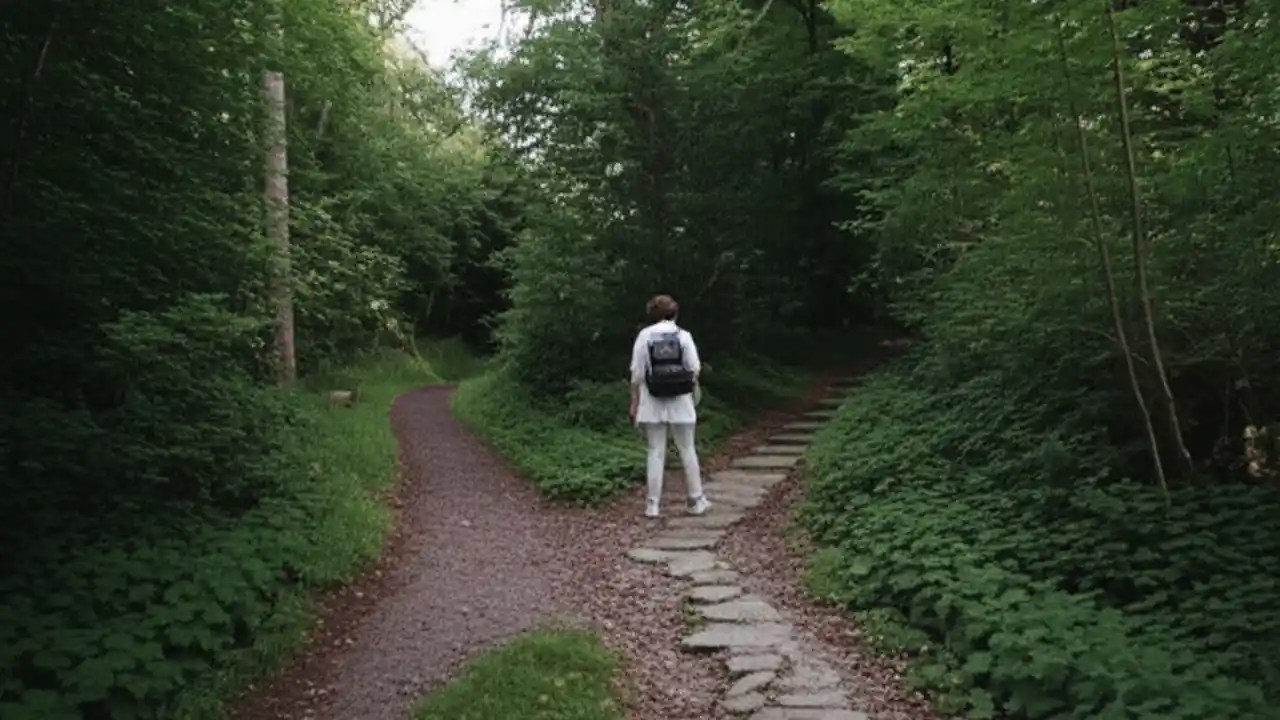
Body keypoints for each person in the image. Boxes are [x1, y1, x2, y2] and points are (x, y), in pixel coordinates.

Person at [629, 294, 712, 519]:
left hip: (651, 402)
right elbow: (694, 368)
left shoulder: (644, 336)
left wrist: (634, 401)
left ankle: (653, 505)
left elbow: (636, 374)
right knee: (687, 449)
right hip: (680, 402)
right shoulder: (683, 336)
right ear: (674, 313)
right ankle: (696, 499)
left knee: (655, 451)